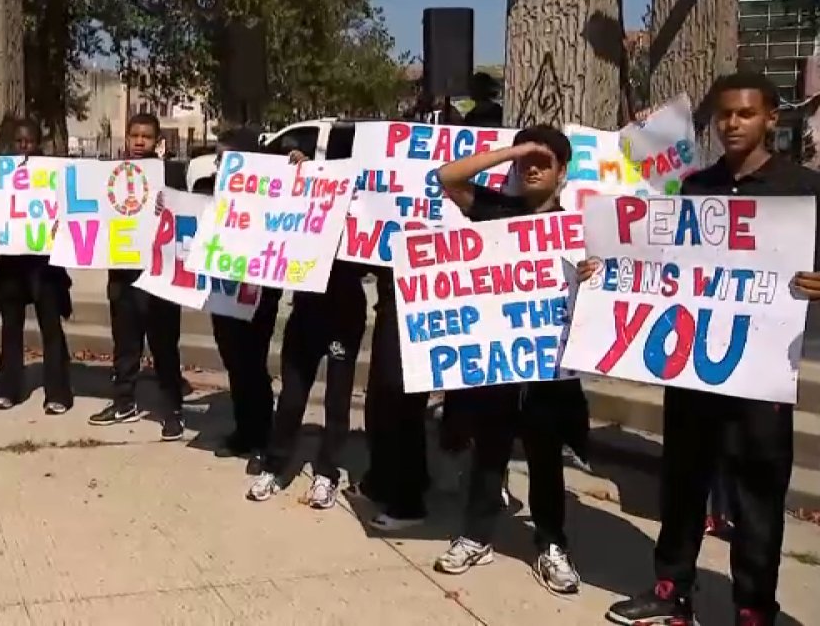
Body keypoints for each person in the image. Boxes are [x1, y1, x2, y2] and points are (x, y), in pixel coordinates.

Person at [602, 71, 820, 626]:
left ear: (771, 118)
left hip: (763, 368)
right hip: (694, 364)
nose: (732, 124)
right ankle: (671, 587)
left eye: (745, 114)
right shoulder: (694, 188)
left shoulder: (804, 188)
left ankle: (753, 606)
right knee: (682, 480)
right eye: (724, 114)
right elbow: (654, 257)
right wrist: (606, 271)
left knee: (757, 494)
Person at [429, 124, 583, 595]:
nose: (533, 167)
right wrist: (514, 149)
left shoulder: (578, 227)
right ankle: (476, 535)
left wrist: (591, 272)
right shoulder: (498, 210)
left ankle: (551, 544)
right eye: (526, 161)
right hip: (497, 364)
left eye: (545, 161)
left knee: (545, 458)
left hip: (551, 366)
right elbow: (446, 178)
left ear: (562, 172)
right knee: (488, 453)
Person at [246, 146, 367, 510]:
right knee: (293, 396)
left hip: (346, 313)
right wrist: (296, 175)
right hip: (306, 311)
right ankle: (275, 464)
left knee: (337, 400)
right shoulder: (305, 199)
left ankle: (327, 473)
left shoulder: (362, 210)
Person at [89, 113, 186, 441]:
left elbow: (187, 214)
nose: (140, 141)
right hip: (122, 274)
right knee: (125, 344)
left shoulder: (171, 173)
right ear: (126, 138)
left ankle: (172, 410)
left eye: (147, 136)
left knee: (164, 347)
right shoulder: (109, 175)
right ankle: (123, 402)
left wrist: (168, 203)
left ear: (158, 141)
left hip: (161, 276)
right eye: (135, 135)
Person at [190, 127, 282, 460]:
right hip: (223, 290)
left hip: (259, 291)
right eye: (217, 158)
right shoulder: (209, 191)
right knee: (233, 361)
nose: (218, 164)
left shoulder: (271, 194)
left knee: (252, 361)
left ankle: (262, 433)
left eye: (224, 157)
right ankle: (244, 431)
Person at [0, 117, 74, 414]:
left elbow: (70, 208)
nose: (24, 147)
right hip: (10, 267)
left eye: (29, 142)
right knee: (11, 330)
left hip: (46, 267)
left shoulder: (53, 174)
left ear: (39, 143)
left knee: (51, 330)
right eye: (19, 142)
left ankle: (58, 392)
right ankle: (7, 389)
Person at [349, 264, 431, 530]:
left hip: (423, 302)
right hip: (392, 300)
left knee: (402, 403)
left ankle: (409, 503)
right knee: (381, 400)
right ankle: (381, 482)